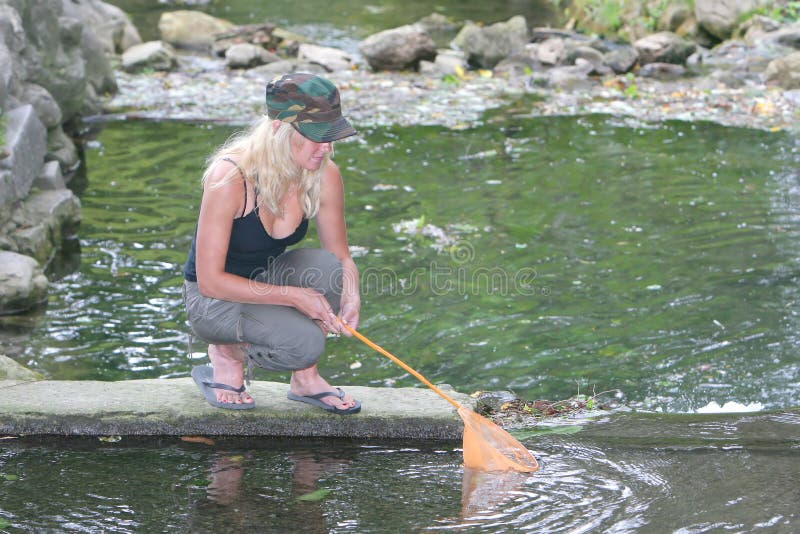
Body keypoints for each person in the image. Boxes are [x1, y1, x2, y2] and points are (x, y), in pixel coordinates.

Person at [183, 72, 361, 414]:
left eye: (331, 136)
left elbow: (340, 255)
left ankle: (305, 380)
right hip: (212, 300)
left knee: (331, 270)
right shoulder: (231, 177)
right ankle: (225, 352)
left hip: (264, 279)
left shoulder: (325, 173)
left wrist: (352, 292)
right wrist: (293, 296)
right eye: (315, 137)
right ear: (280, 128)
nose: (325, 148)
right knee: (305, 344)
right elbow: (209, 280)